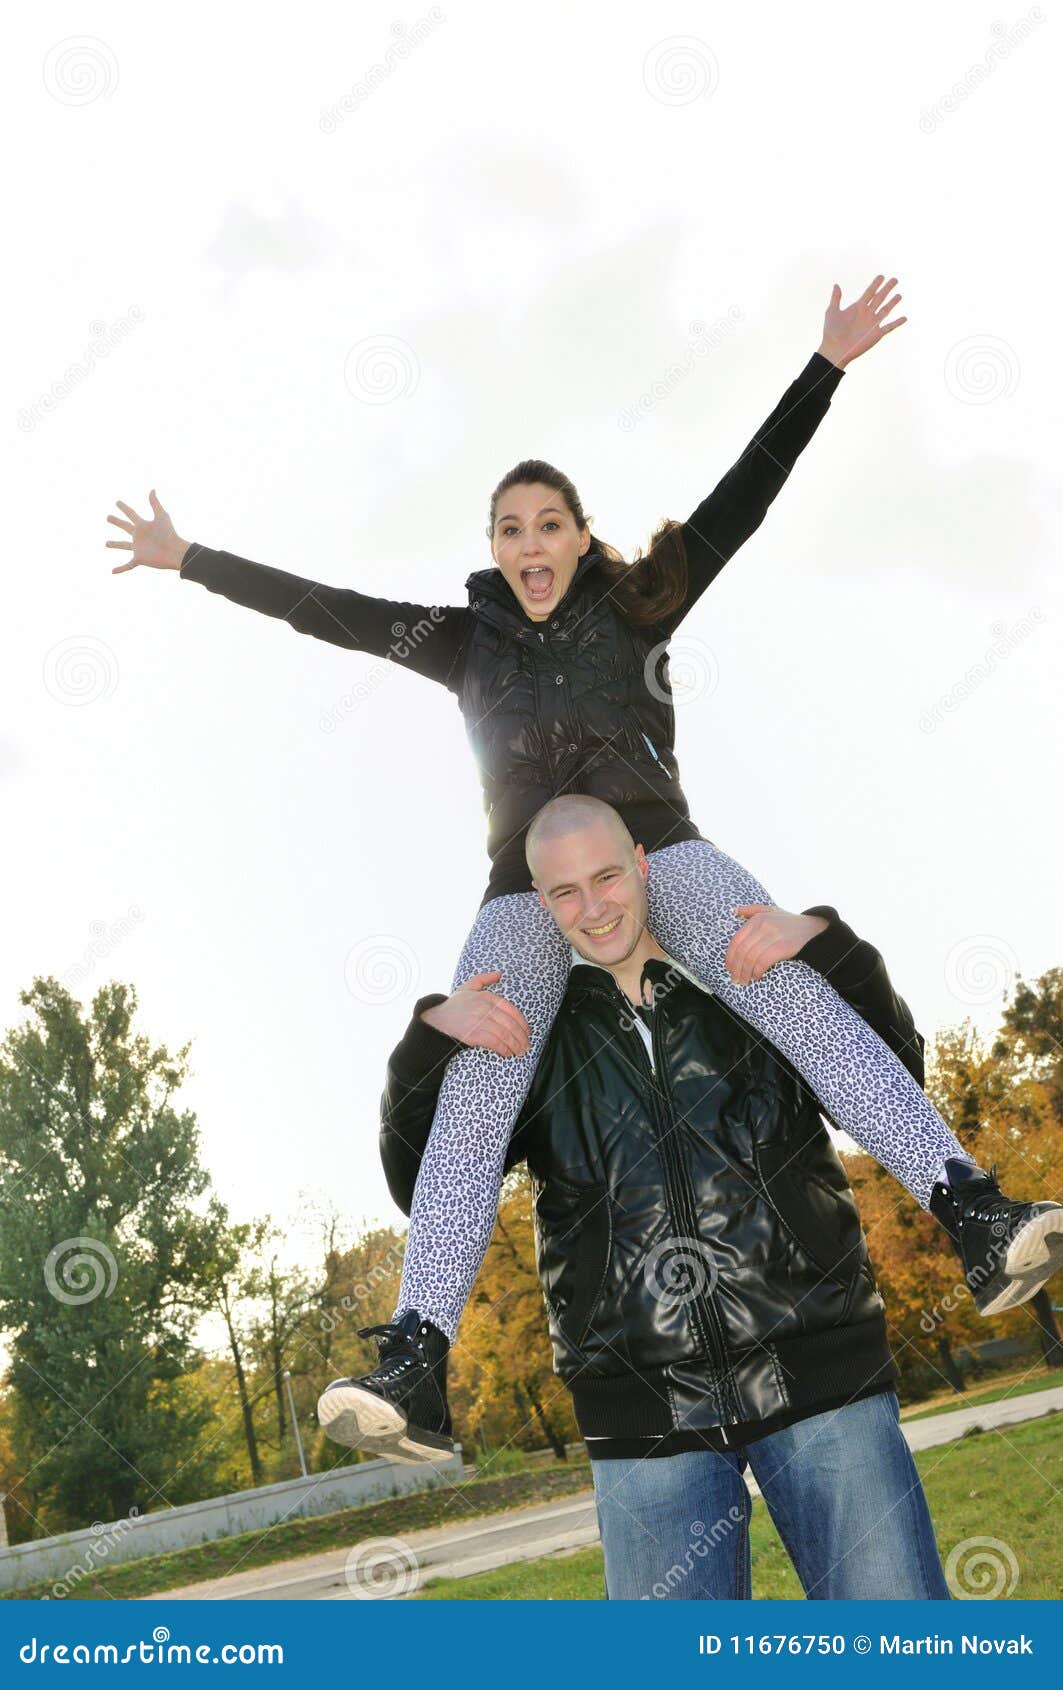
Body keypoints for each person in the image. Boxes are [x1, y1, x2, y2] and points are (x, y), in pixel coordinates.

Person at [105, 273, 1063, 1459]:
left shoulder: (639, 606)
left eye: (546, 523)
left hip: (661, 853)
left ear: (577, 532)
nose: (528, 544)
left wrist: (824, 365)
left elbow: (737, 506)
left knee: (779, 972)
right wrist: (187, 555)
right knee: (477, 1062)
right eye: (507, 528)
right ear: (495, 550)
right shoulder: (460, 646)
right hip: (523, 889)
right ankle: (416, 1356)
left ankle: (968, 1208)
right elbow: (327, 608)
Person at [322, 795, 964, 1600]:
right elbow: (423, 1187)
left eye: (606, 877)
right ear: (540, 903)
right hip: (639, 1417)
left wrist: (835, 947)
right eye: (565, 893)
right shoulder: (527, 1031)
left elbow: (892, 1079)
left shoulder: (746, 973)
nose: (593, 909)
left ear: (642, 866)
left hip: (821, 1372)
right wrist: (425, 1043)